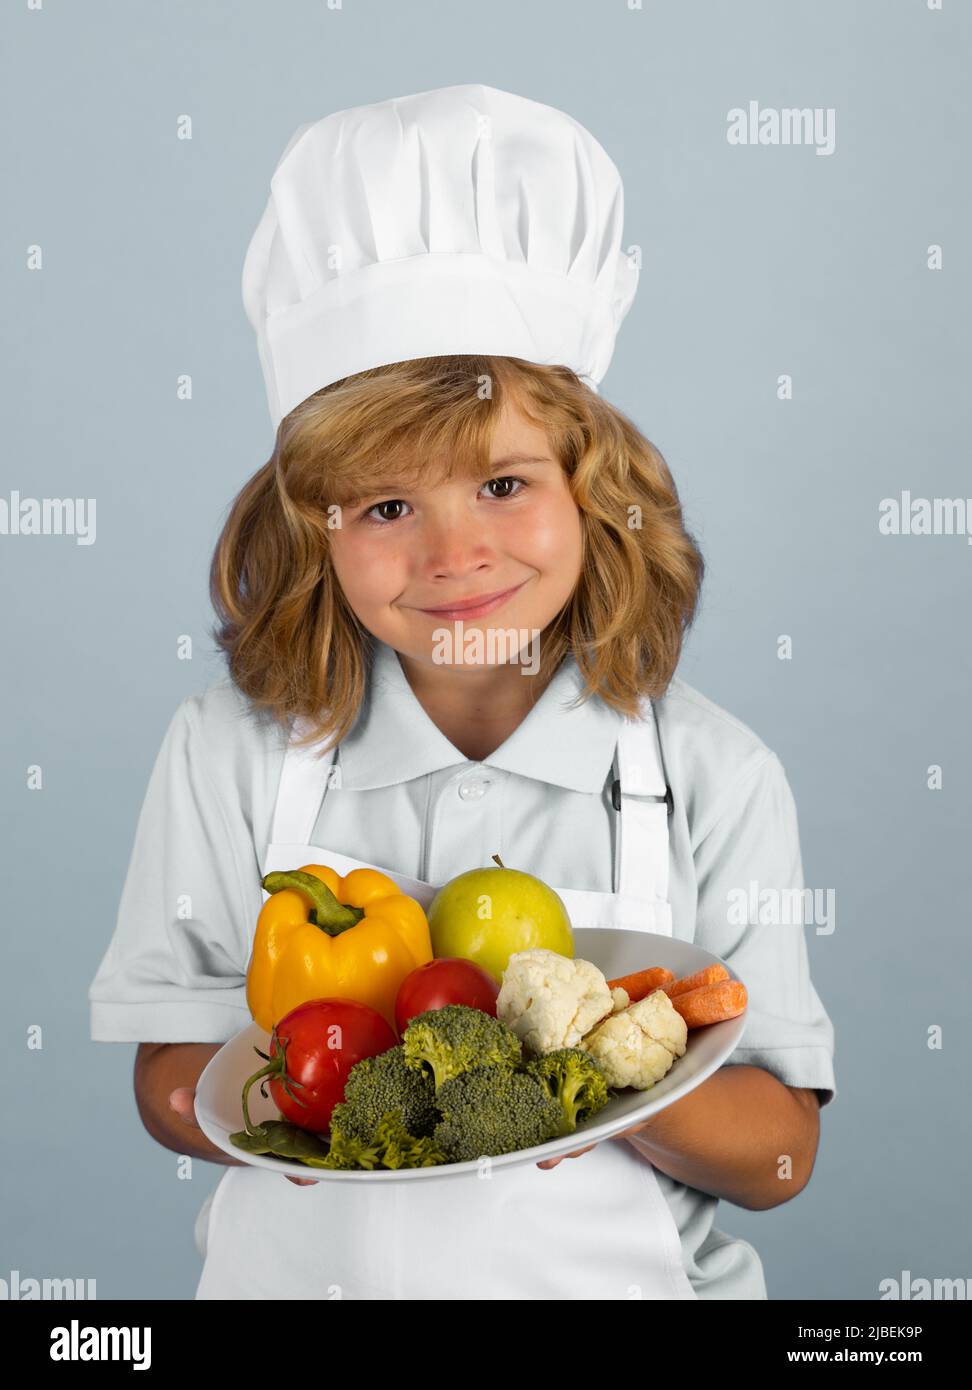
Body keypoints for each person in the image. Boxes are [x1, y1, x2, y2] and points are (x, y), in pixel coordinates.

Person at [88, 84, 836, 1300]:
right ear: (312, 528)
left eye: (502, 484)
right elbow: (168, 1078)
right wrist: (324, 1088)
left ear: (599, 488)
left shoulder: (713, 774)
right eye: (387, 506)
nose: (453, 555)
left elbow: (782, 1156)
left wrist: (579, 1084)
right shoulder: (227, 750)